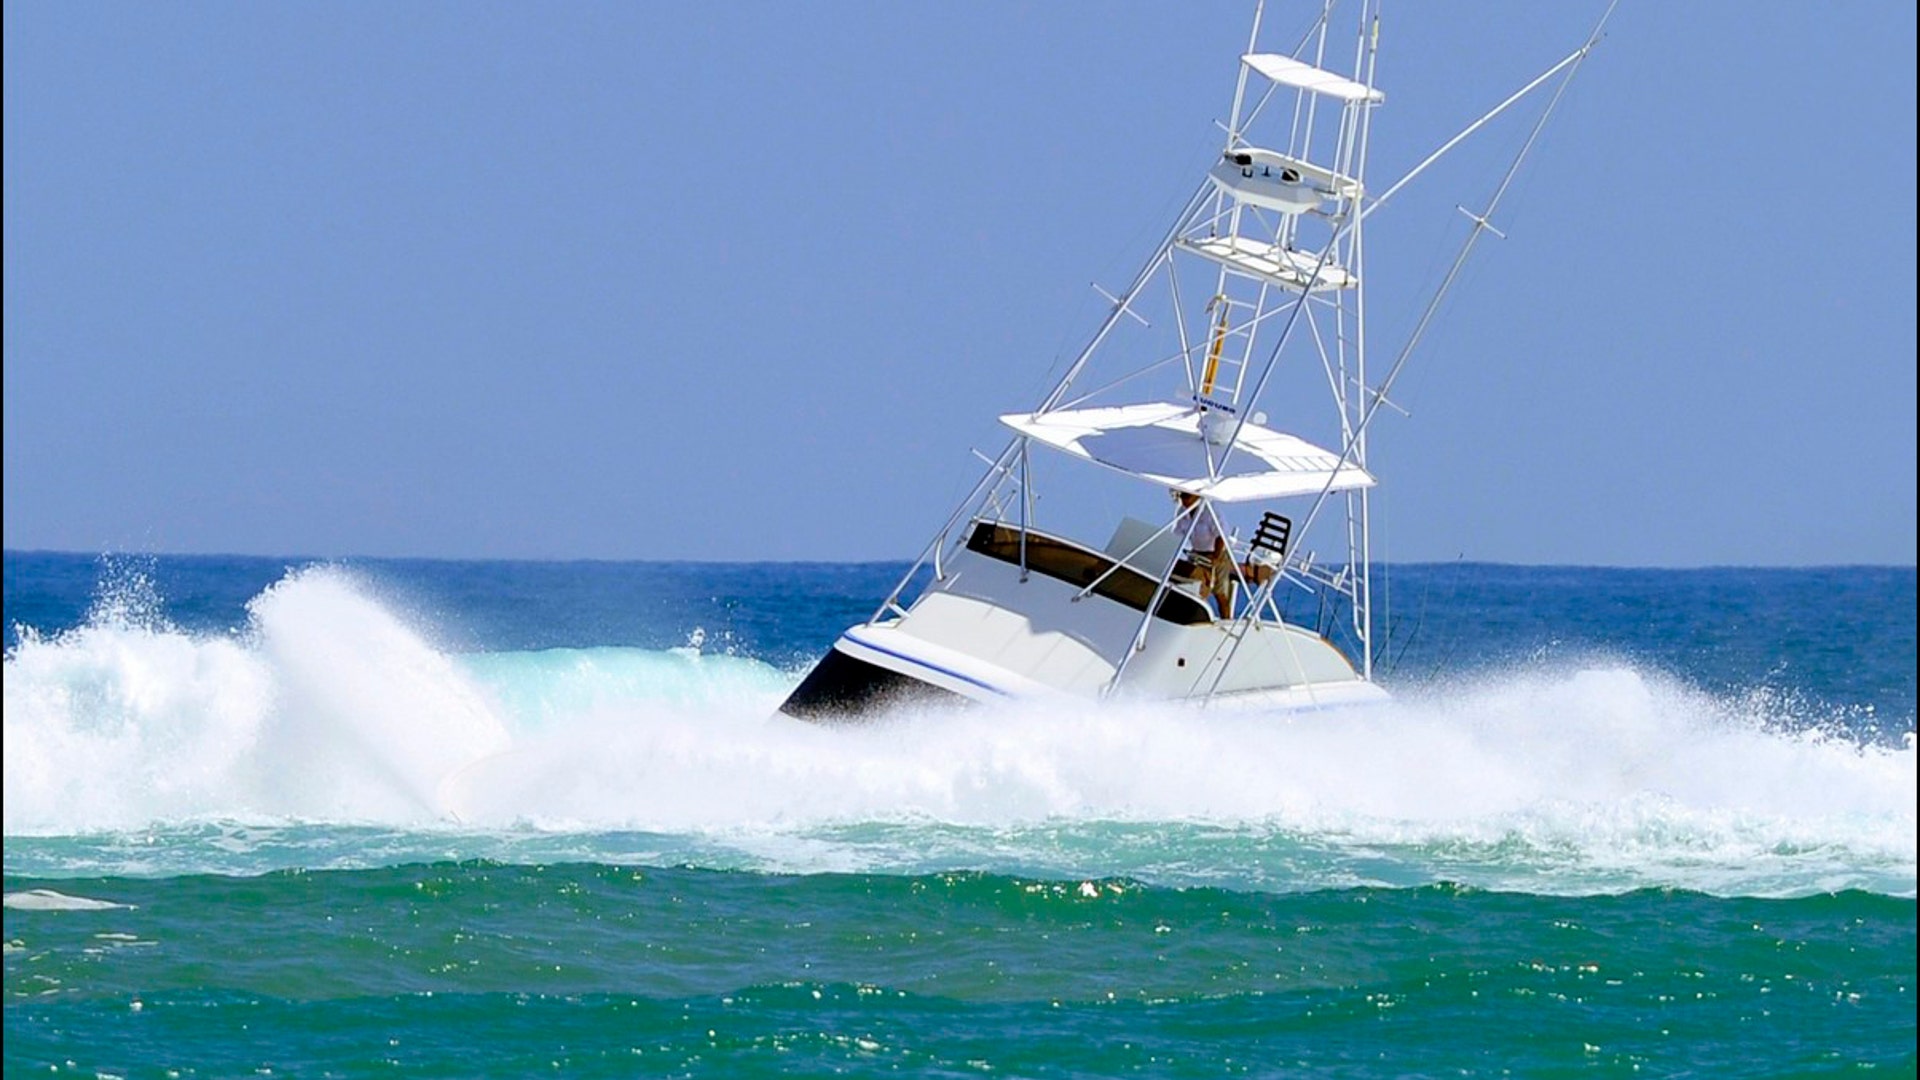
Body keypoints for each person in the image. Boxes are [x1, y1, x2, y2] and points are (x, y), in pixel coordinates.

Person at [1174, 490, 1234, 618]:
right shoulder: (1182, 511)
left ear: (1197, 496)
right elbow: (1177, 535)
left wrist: (1216, 557)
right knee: (1193, 587)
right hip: (1196, 554)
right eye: (1180, 496)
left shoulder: (1210, 511)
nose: (1183, 500)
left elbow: (1221, 535)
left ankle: (1226, 621)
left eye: (1186, 496)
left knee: (1220, 593)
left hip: (1216, 554)